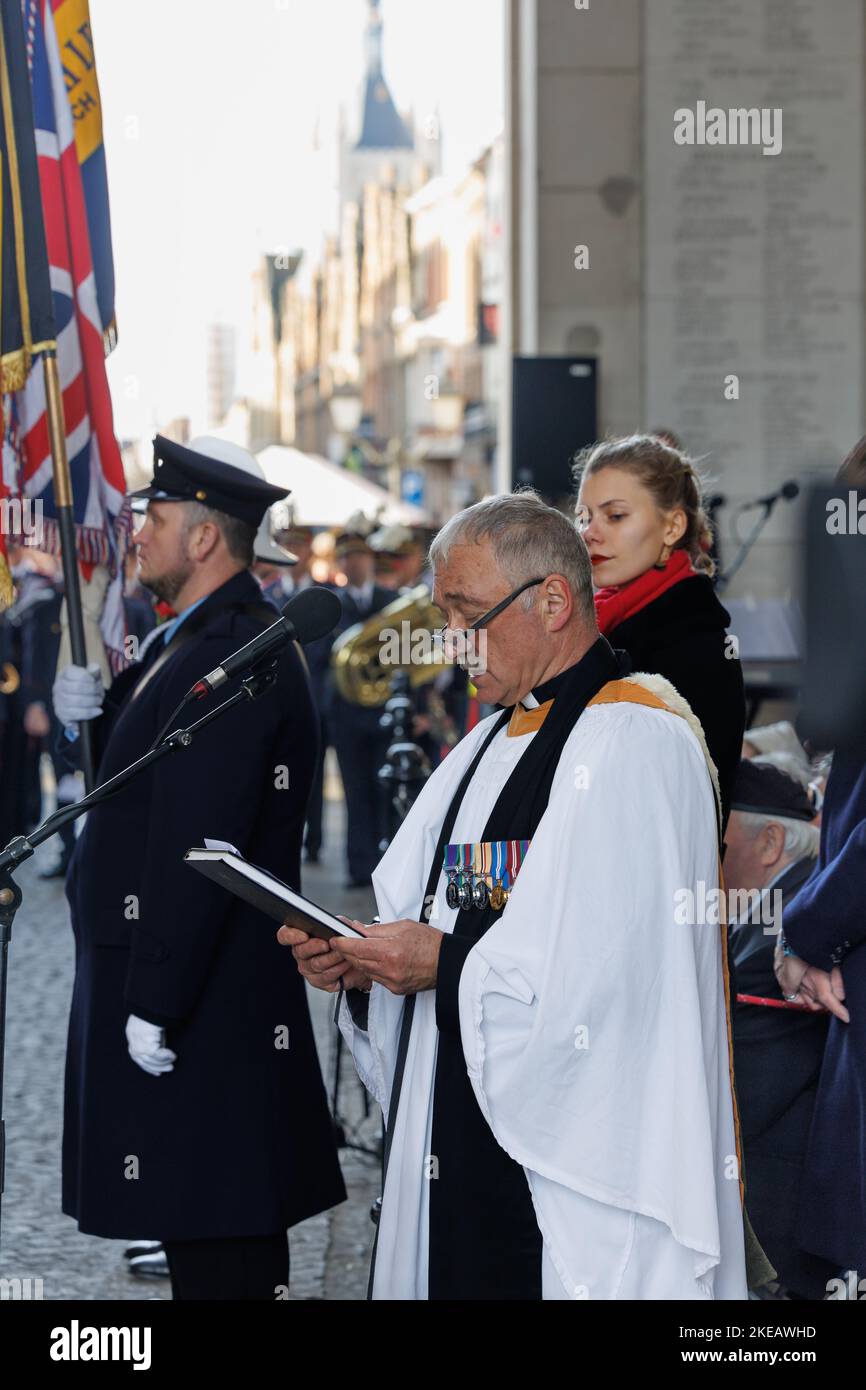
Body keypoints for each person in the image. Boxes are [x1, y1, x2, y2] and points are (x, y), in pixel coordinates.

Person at [279, 491, 747, 1300]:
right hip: (459, 1110)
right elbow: (462, 902)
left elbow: (619, 976)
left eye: (466, 615)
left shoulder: (637, 738)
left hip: (572, 1166)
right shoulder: (494, 737)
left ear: (554, 601)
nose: (451, 642)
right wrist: (365, 960)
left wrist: (445, 965)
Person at [52, 435, 345, 1301]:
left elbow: (198, 840)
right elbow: (153, 782)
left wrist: (154, 1002)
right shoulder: (195, 642)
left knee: (222, 1237)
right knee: (200, 1227)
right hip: (190, 989)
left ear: (206, 537)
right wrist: (95, 720)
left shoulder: (239, 654)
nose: (140, 532)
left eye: (158, 515)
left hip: (202, 996)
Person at [574, 434, 746, 825]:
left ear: (672, 527)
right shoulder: (601, 622)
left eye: (615, 516)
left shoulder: (695, 645)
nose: (590, 533)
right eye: (584, 517)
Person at [724, 759, 831, 1298]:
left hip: (780, 1230)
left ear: (770, 843)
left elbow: (739, 1089)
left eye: (714, 842)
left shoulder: (780, 940)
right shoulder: (774, 920)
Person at [326, 522, 395, 887]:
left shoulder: (390, 603)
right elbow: (320, 660)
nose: (355, 564)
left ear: (370, 560)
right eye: (348, 558)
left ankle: (385, 864)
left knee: (383, 788)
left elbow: (405, 657)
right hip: (347, 715)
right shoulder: (330, 604)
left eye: (360, 557)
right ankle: (359, 866)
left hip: (383, 713)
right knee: (355, 790)